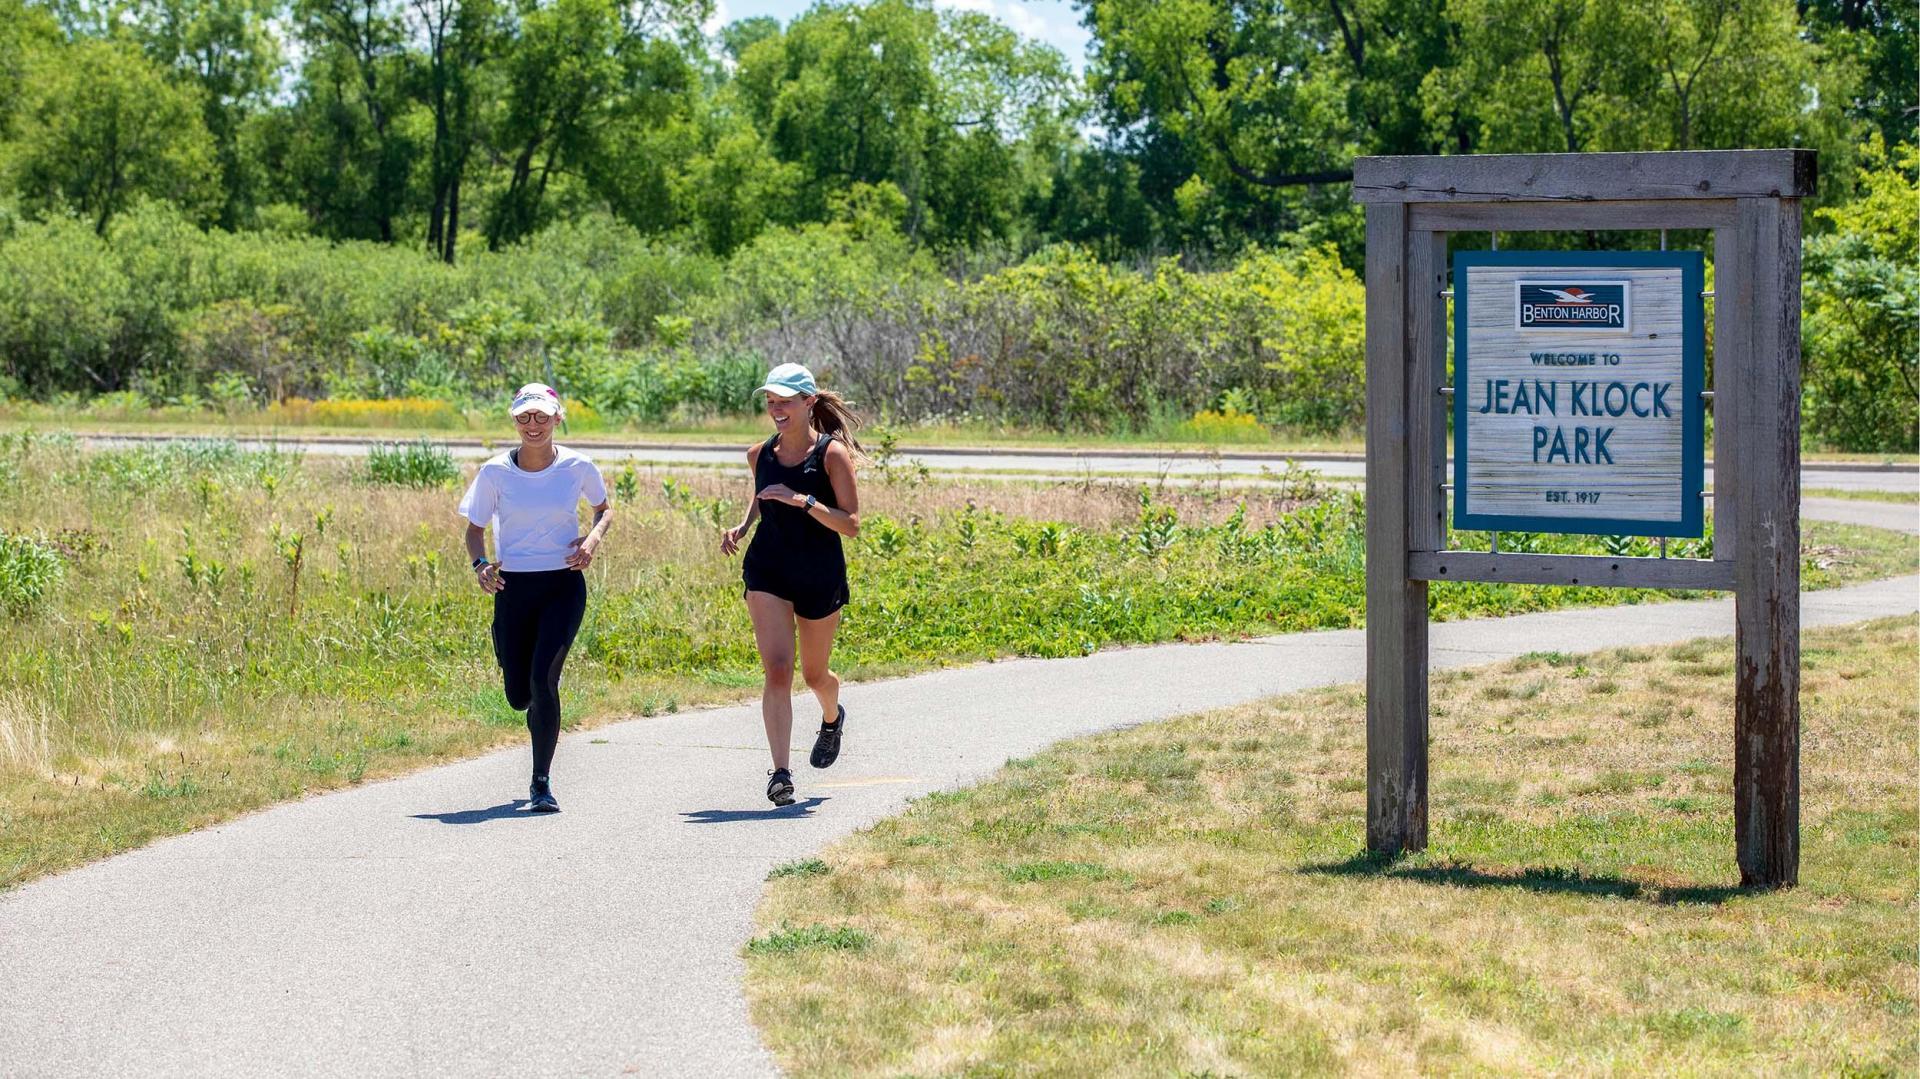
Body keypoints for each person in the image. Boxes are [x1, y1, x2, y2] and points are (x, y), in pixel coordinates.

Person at [459, 383, 611, 813]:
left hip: (563, 584)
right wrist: (480, 565)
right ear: (514, 420)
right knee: (518, 696)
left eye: (542, 417)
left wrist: (593, 539)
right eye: (525, 417)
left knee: (545, 681)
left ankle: (540, 783)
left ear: (557, 419)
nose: (533, 425)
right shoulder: (494, 472)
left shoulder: (578, 466)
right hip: (514, 589)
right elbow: (474, 529)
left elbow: (604, 508)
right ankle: (509, 656)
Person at [720, 363, 863, 806]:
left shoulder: (832, 455)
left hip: (819, 574)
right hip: (768, 570)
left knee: (814, 674)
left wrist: (804, 501)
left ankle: (831, 716)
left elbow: (852, 524)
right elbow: (764, 492)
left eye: (784, 401)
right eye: (770, 402)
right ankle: (781, 773)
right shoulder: (757, 453)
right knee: (777, 670)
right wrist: (743, 525)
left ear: (808, 402)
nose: (776, 409)